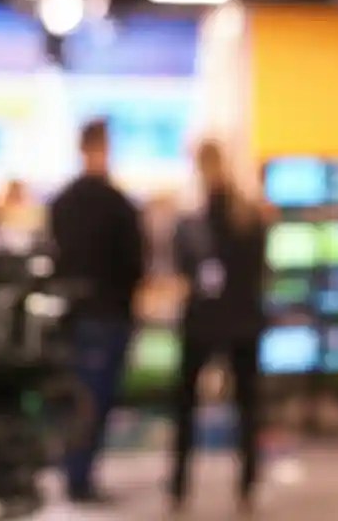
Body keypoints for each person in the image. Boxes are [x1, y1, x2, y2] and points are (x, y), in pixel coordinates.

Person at [49, 119, 146, 504]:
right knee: (97, 399)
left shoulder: (62, 203)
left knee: (75, 399)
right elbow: (134, 265)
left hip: (73, 317)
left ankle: (73, 470)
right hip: (108, 316)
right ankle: (80, 476)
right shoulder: (118, 205)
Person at [169, 140, 268, 515]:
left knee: (186, 407)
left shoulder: (193, 220)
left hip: (203, 323)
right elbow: (259, 272)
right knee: (247, 408)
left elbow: (184, 270)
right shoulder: (250, 217)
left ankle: (179, 487)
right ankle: (247, 487)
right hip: (241, 322)